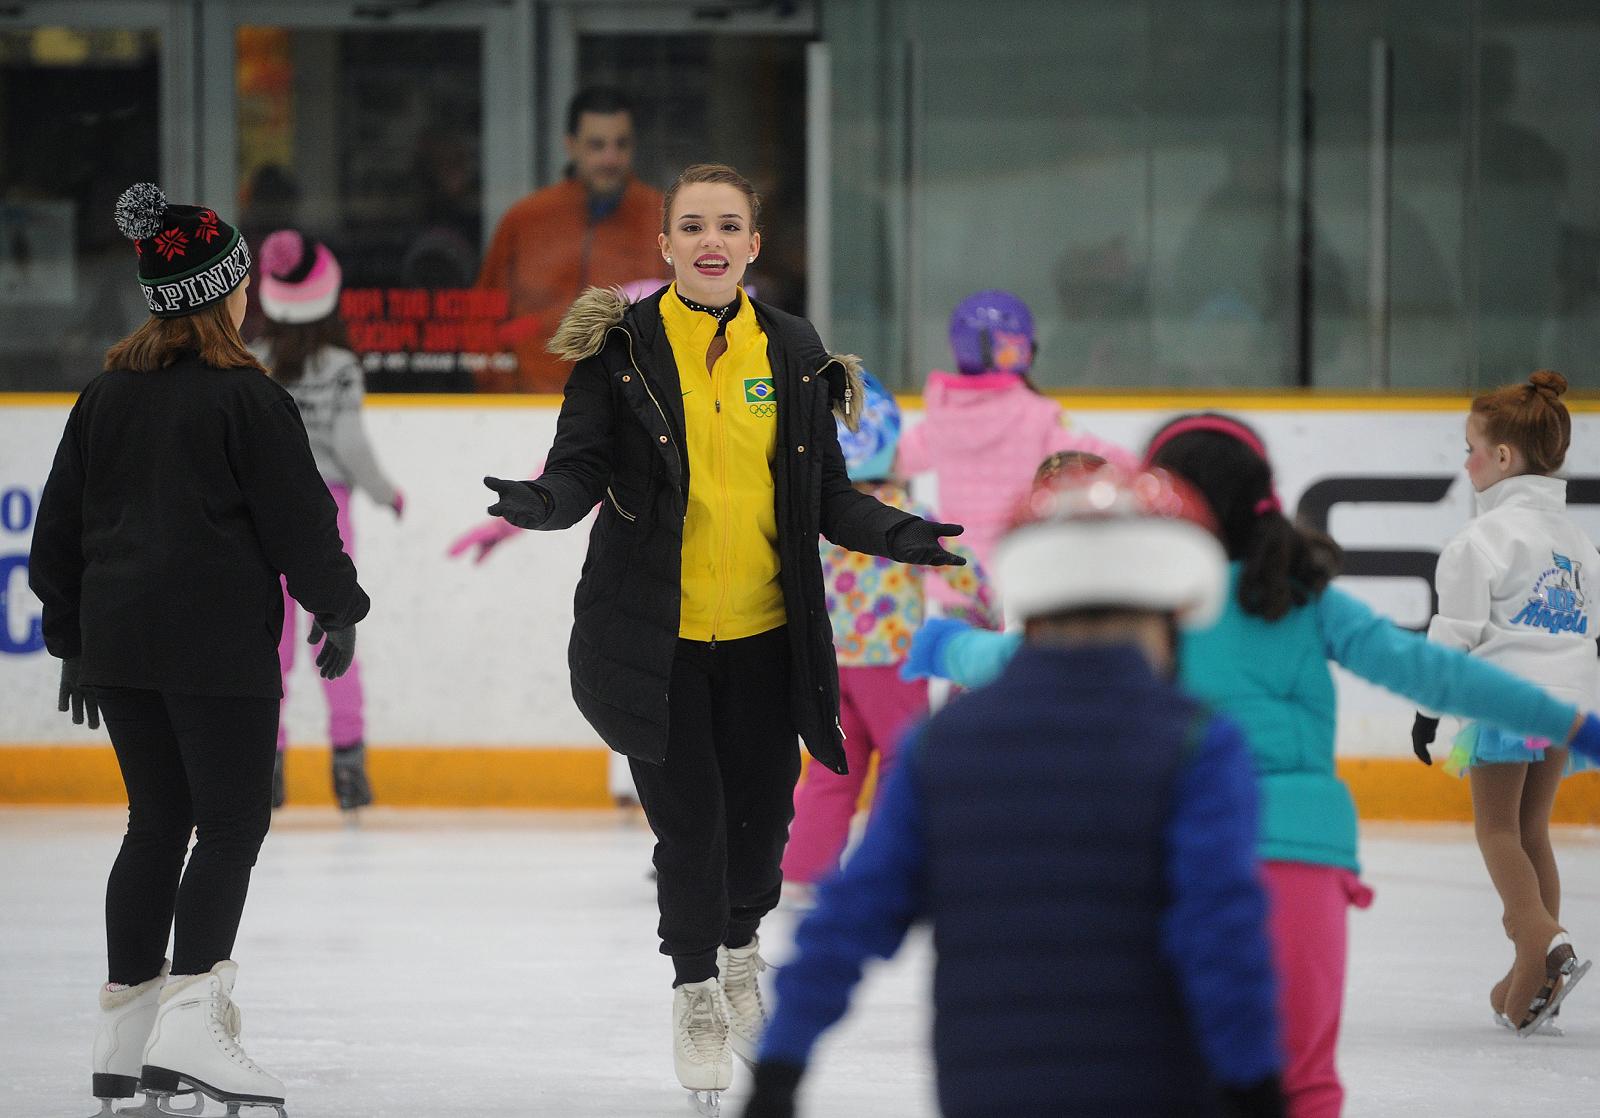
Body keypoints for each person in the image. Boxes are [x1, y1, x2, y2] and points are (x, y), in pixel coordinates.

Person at [904, 412, 1600, 1118]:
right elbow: (1439, 674)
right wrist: (1572, 723)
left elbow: (1015, 658)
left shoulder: (1153, 605)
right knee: (1301, 1084)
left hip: (1179, 862)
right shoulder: (1303, 597)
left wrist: (942, 647)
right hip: (1302, 863)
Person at [476, 162, 965, 1112]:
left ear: (751, 243)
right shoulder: (618, 347)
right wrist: (541, 504)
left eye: (728, 225)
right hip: (655, 637)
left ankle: (742, 951)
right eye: (691, 224)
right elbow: (578, 466)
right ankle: (696, 986)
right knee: (689, 825)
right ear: (663, 245)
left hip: (766, 635)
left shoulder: (790, 346)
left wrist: (899, 534)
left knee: (764, 823)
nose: (710, 240)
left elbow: (822, 495)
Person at [743, 465, 1286, 1118]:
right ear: (1168, 610)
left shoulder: (943, 745)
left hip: (986, 1091)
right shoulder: (1198, 745)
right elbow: (1221, 934)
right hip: (1153, 1088)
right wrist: (1255, 1084)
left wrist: (781, 1065)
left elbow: (852, 915)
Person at [28, 183, 368, 1118]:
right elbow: (302, 524)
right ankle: (189, 1028)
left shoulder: (105, 395)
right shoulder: (247, 399)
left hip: (122, 649)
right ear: (226, 292)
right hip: (216, 649)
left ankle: (122, 1043)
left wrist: (74, 640)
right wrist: (338, 610)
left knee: (154, 821)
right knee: (228, 825)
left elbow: (57, 536)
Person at [1413, 371, 1596, 1035]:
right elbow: (1590, 629)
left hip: (1506, 700)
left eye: (1470, 449)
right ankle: (1530, 984)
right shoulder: (1577, 541)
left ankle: (1546, 942)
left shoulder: (1479, 540)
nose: (1465, 464)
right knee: (1532, 831)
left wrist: (1427, 708)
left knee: (1496, 831)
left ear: (1503, 458)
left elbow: (1453, 635)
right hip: (1566, 705)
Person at [781, 372, 995, 905]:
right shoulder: (905, 514)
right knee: (902, 763)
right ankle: (887, 863)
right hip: (891, 663)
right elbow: (958, 566)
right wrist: (985, 615)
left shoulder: (809, 510)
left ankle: (805, 864)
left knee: (834, 766)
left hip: (828, 661)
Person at [252, 228, 403, 812]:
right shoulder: (341, 366)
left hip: (265, 514)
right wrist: (387, 494)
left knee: (273, 642)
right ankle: (348, 770)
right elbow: (349, 442)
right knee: (334, 631)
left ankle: (268, 769)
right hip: (326, 512)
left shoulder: (254, 363)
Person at [474, 87, 668, 392]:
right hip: (526, 409)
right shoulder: (525, 219)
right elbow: (483, 319)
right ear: (571, 145)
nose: (610, 158)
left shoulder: (664, 219)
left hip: (631, 411)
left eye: (621, 144)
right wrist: (502, 399)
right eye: (596, 145)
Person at [894, 290, 1088, 586]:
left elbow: (896, 460)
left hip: (960, 576)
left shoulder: (942, 414)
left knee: (961, 634)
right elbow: (1092, 456)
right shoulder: (1037, 415)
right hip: (1020, 569)